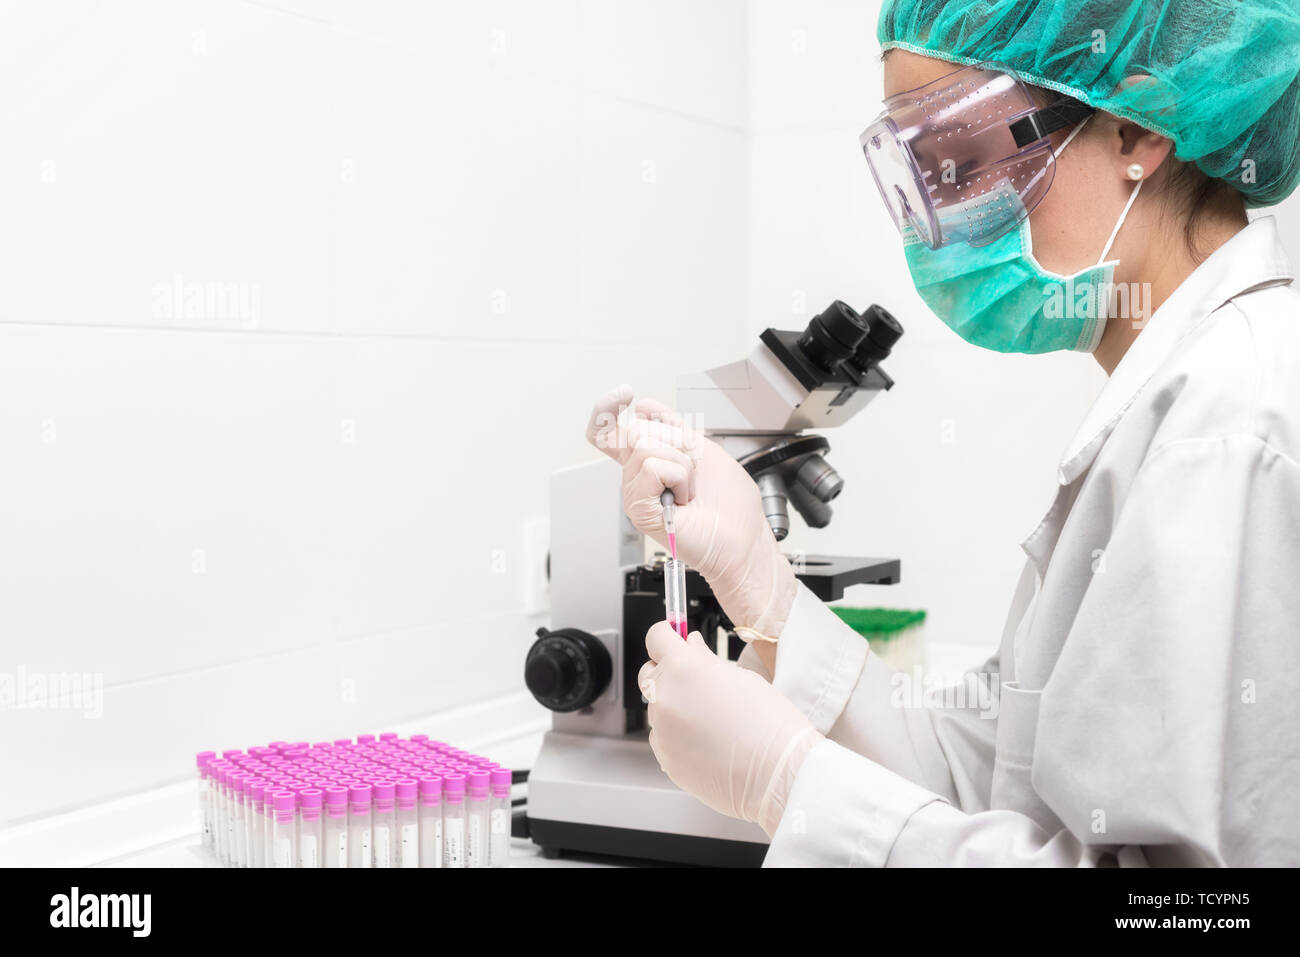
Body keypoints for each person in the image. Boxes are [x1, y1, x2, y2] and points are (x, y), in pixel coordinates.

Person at [585, 0, 1300, 866]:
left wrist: (790, 779)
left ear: (1134, 132)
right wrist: (762, 591)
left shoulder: (1228, 426)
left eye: (959, 162)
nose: (937, 231)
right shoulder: (1170, 402)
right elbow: (993, 769)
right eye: (916, 177)